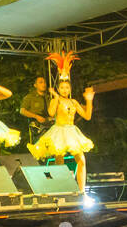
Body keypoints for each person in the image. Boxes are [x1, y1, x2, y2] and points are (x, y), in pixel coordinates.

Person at [27, 51, 95, 190]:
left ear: (70, 88)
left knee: (81, 160)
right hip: (59, 131)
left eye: (67, 87)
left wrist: (89, 101)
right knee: (59, 161)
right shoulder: (55, 100)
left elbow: (87, 116)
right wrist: (56, 97)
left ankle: (81, 190)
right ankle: (60, 188)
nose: (65, 90)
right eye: (62, 88)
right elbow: (51, 113)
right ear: (58, 88)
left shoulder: (74, 102)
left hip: (72, 132)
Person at [19, 75, 51, 145]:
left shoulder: (49, 97)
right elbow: (22, 110)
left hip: (48, 122)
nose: (44, 84)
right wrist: (36, 116)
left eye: (44, 82)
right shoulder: (30, 97)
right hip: (37, 125)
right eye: (41, 82)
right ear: (35, 85)